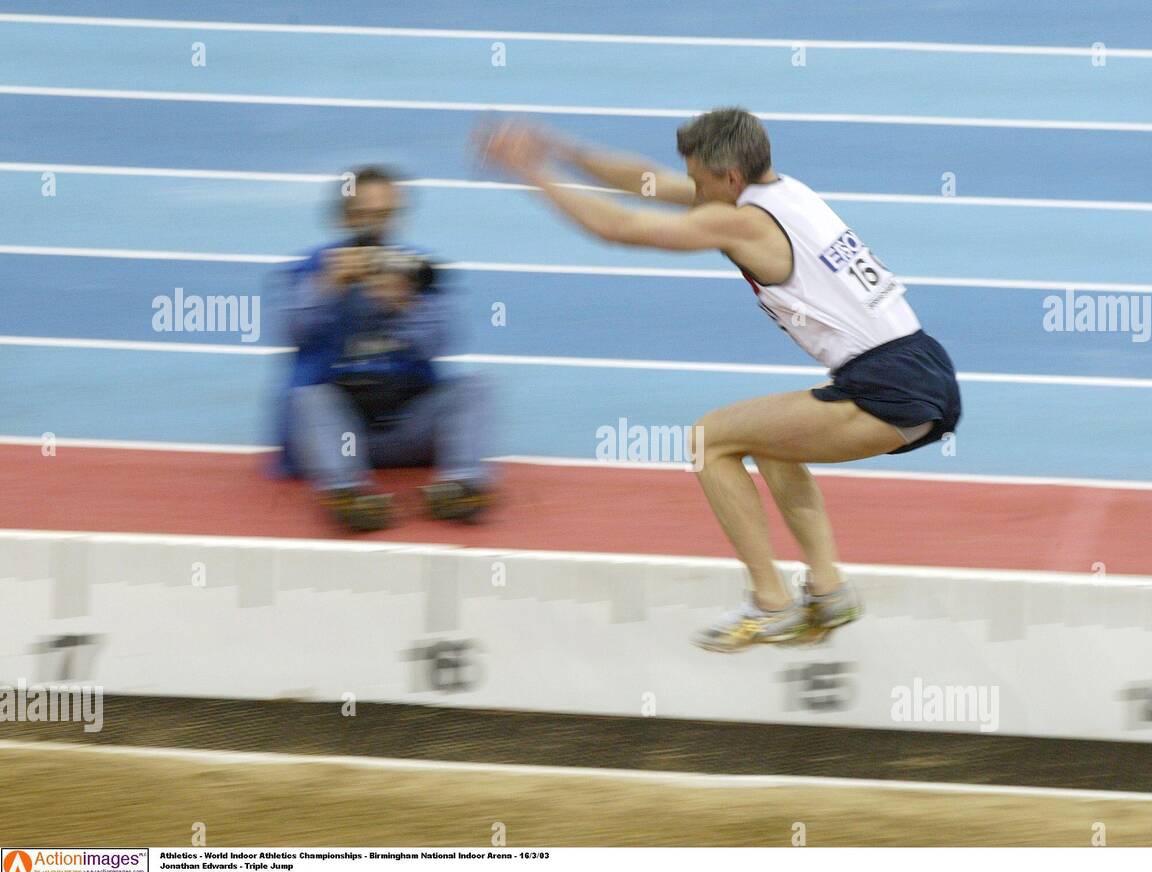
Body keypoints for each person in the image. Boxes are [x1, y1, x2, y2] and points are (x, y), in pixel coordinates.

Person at [477, 109, 960, 651]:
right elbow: (646, 181)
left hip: (889, 384)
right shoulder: (783, 192)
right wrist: (559, 148)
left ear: (729, 178)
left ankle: (770, 602)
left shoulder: (743, 221)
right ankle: (827, 591)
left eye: (699, 180)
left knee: (711, 440)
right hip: (922, 365)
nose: (691, 189)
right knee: (772, 443)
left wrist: (530, 173)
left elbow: (620, 228)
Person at [275, 166, 494, 531]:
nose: (374, 228)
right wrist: (327, 288)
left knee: (476, 388)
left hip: (408, 426)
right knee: (307, 400)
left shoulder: (418, 271)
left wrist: (406, 307)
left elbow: (442, 343)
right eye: (363, 216)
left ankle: (461, 486)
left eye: (384, 216)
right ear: (342, 218)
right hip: (341, 432)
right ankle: (348, 494)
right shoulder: (309, 271)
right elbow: (291, 331)